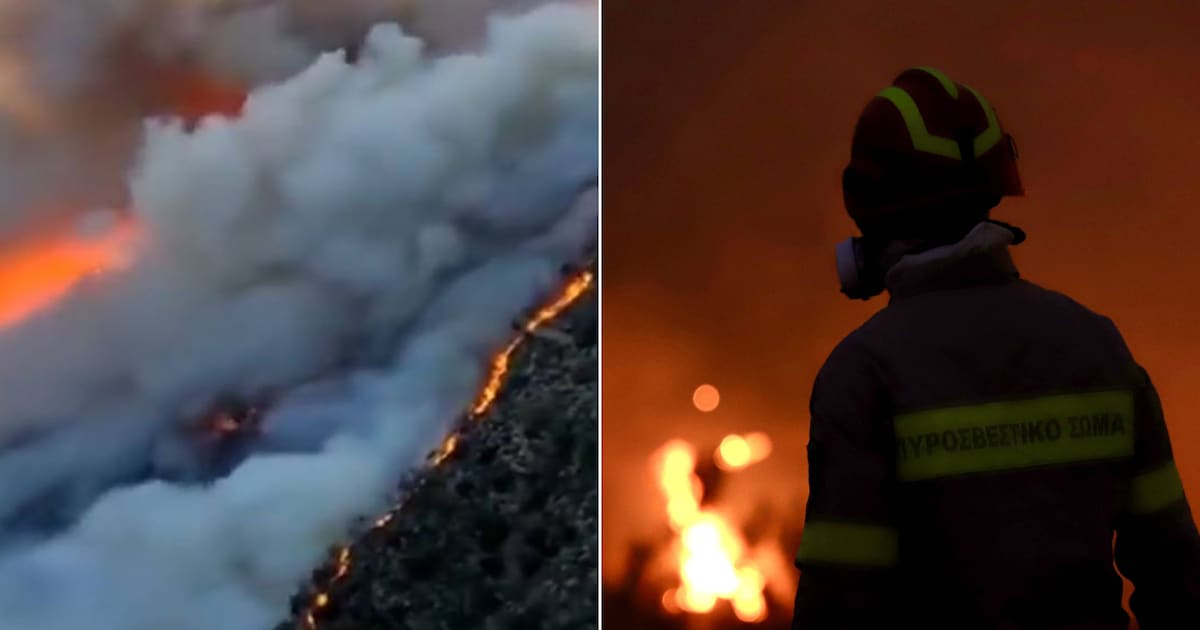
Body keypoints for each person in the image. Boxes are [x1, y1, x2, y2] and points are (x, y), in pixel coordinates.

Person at [792, 66, 1200, 629]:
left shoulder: (864, 373)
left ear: (865, 202)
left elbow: (839, 604)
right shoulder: (1097, 344)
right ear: (993, 189)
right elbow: (1176, 577)